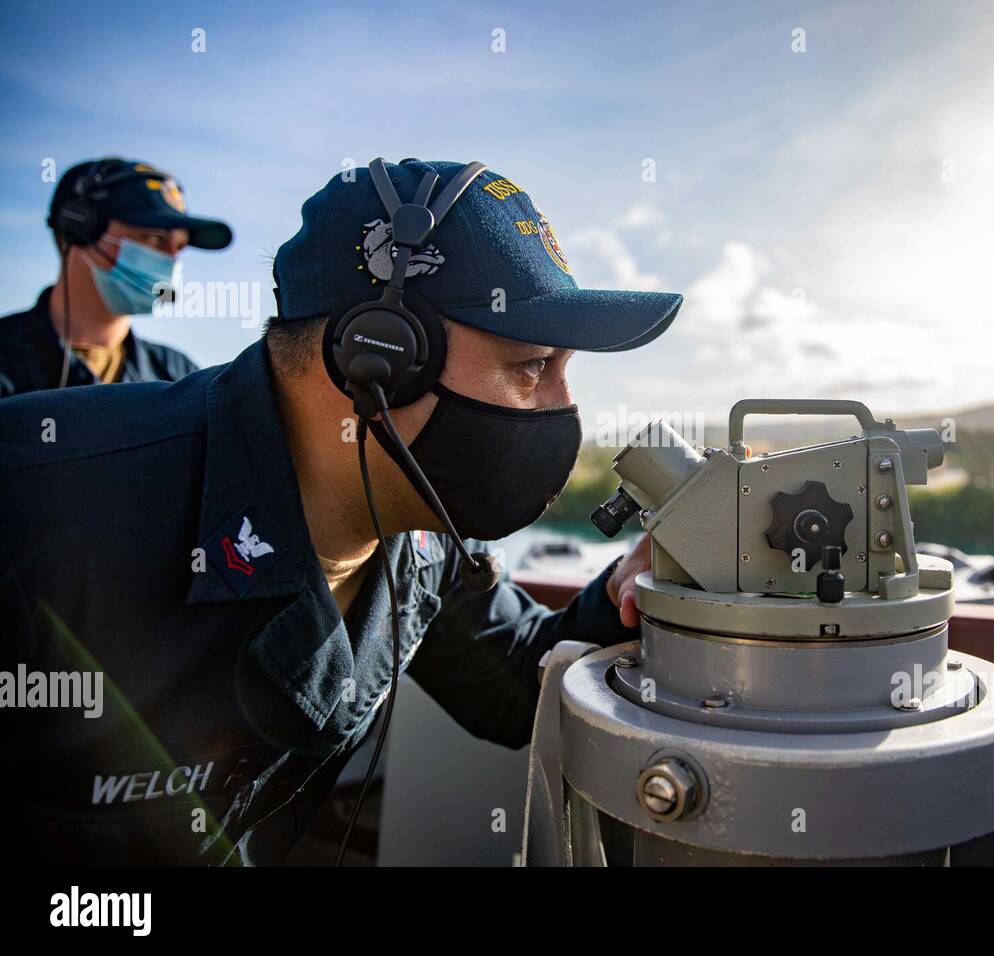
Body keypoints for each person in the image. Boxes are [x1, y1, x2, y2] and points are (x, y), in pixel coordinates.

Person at [0, 157, 682, 865]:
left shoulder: (421, 530)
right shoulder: (33, 511)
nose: (563, 409)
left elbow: (515, 684)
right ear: (379, 358)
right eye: (533, 367)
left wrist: (626, 589)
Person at [0, 157, 232, 397]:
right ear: (79, 229)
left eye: (180, 246)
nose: (171, 258)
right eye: (154, 238)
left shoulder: (180, 377)